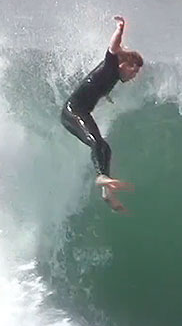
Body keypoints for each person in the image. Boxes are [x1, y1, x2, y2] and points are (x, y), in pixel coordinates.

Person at [61, 15, 143, 212]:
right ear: (125, 64)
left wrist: (105, 95)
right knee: (97, 143)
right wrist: (120, 29)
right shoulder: (111, 65)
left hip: (83, 112)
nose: (133, 76)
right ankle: (101, 177)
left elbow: (99, 86)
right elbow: (114, 47)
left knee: (104, 146)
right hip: (71, 112)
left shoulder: (113, 77)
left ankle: (106, 190)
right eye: (134, 71)